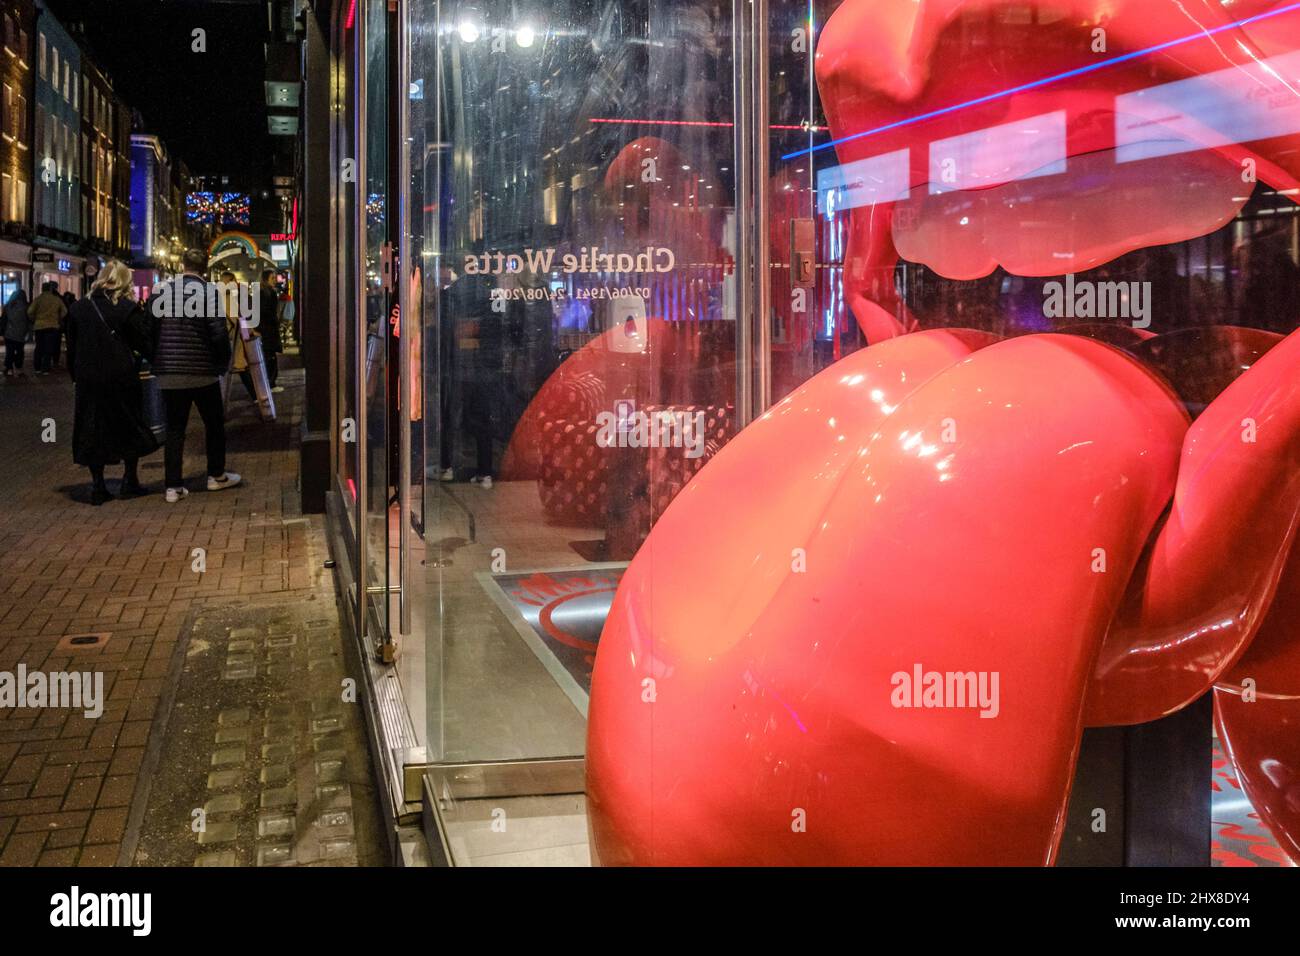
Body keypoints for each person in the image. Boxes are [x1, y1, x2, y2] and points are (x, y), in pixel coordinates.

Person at [148, 248, 240, 503]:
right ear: (205, 269)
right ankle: (216, 475)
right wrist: (222, 362)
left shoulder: (162, 291)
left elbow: (150, 329)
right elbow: (218, 333)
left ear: (182, 265)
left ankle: (173, 486)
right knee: (214, 424)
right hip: (202, 371)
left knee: (175, 428)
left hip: (169, 372)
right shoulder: (208, 292)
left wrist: (159, 358)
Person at [66, 262, 160, 505]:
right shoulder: (127, 309)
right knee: (128, 423)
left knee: (91, 427)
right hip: (120, 376)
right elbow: (144, 342)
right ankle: (130, 480)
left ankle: (98, 485)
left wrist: (76, 377)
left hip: (88, 378)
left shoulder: (78, 308)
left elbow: (72, 348)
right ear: (123, 281)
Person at [221, 270, 258, 402]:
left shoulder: (223, 297)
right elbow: (236, 319)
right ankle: (256, 396)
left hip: (228, 338)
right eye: (233, 281)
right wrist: (251, 331)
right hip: (232, 339)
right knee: (241, 367)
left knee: (240, 367)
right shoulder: (227, 298)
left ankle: (255, 396)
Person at [31, 281, 69, 376]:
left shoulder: (38, 299)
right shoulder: (56, 300)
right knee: (48, 348)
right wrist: (58, 318)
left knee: (39, 347)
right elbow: (65, 311)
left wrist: (34, 319)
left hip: (39, 326)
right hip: (52, 326)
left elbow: (30, 311)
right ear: (51, 289)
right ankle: (46, 369)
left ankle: (37, 368)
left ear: (42, 289)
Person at [258, 270, 283, 392]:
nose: (275, 280)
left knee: (268, 356)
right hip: (269, 330)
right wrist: (275, 320)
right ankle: (271, 383)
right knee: (270, 357)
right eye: (272, 278)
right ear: (266, 279)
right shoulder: (269, 293)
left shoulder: (261, 292)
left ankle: (269, 382)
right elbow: (267, 312)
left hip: (265, 330)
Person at [1, 287, 30, 378]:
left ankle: (9, 369)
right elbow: (29, 319)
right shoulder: (27, 306)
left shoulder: (8, 305)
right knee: (20, 351)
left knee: (10, 351)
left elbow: (3, 321)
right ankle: (19, 368)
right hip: (21, 333)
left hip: (9, 333)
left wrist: (2, 332)